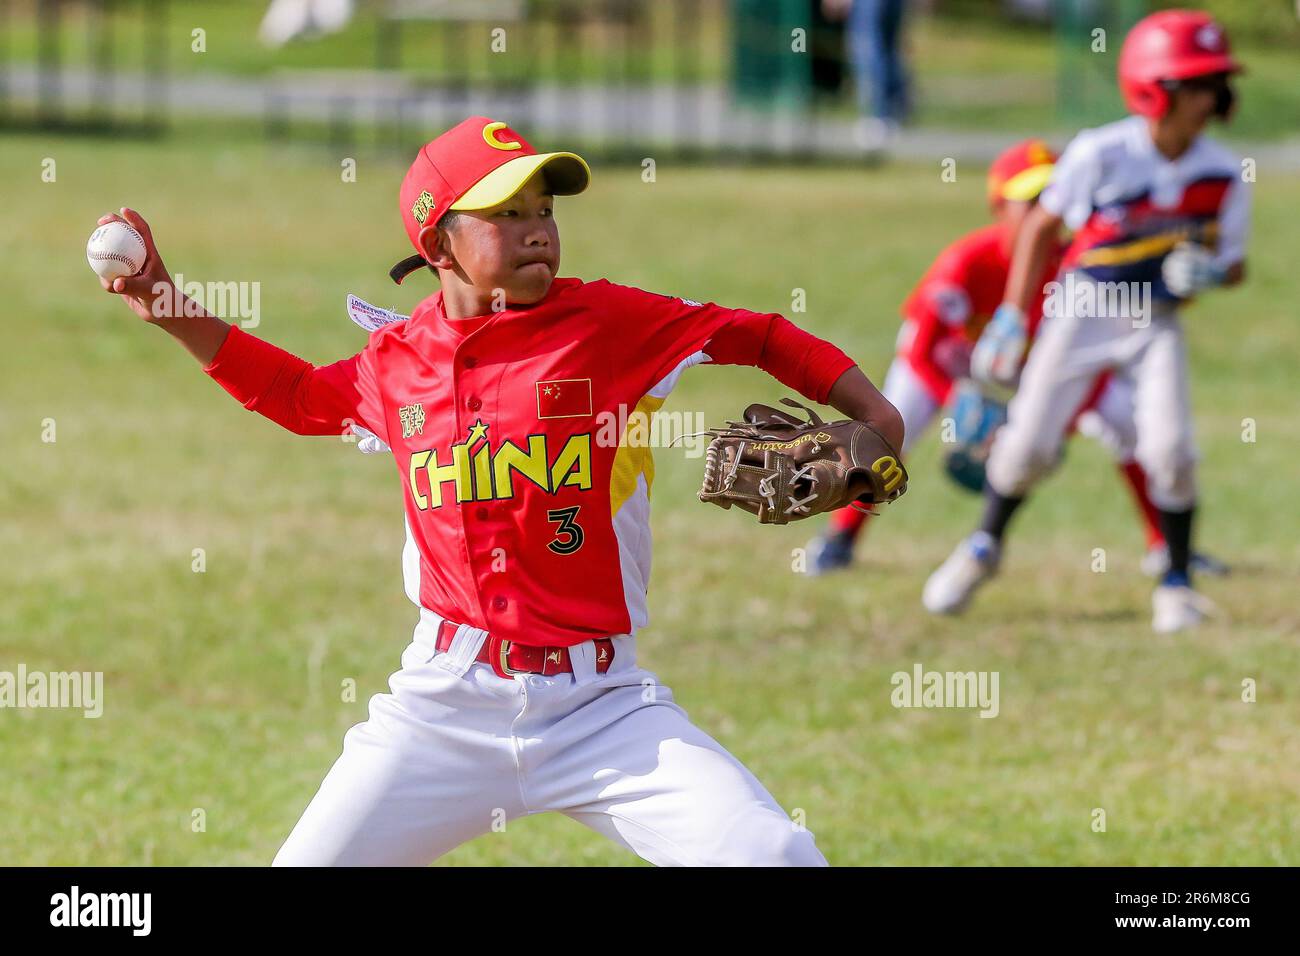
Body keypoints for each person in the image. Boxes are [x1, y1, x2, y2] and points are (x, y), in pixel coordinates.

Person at [95, 116, 902, 866]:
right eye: (503, 213)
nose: (537, 228)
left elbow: (753, 333)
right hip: (442, 707)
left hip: (603, 708)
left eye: (542, 208)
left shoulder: (606, 324)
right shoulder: (397, 361)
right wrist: (167, 306)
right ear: (437, 241)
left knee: (774, 856)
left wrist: (872, 411)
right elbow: (300, 397)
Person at [923, 10, 1249, 633]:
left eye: (1214, 83)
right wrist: (1014, 320)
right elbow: (1044, 225)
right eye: (1197, 83)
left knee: (1172, 449)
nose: (1211, 97)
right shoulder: (1103, 153)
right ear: (1155, 89)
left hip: (1154, 321)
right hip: (1081, 312)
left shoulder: (1224, 173)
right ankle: (982, 547)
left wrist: (1211, 276)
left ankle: (1176, 584)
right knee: (1026, 447)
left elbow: (1233, 263)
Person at [807, 139, 1225, 579]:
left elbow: (1095, 362)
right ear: (998, 205)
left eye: (1051, 197)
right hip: (948, 370)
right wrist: (958, 401)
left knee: (1127, 421)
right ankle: (840, 538)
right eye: (1030, 199)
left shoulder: (1076, 268)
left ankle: (1165, 547)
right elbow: (922, 348)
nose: (1045, 209)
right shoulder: (967, 261)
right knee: (887, 432)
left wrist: (1049, 419)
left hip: (1033, 375)